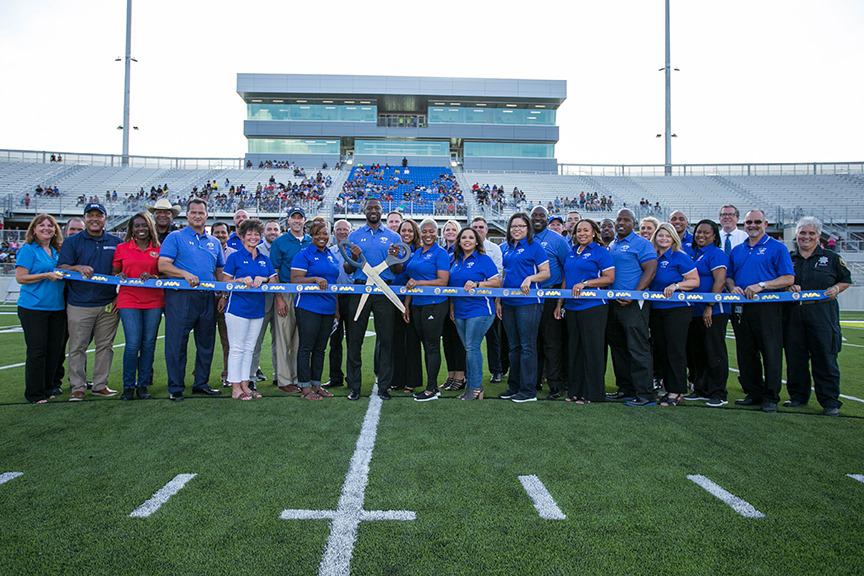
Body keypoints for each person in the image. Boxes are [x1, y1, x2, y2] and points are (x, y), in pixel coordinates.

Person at [726, 209, 795, 412]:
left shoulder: (777, 248)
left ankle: (771, 397)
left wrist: (762, 285)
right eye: (749, 222)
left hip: (767, 308)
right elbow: (729, 276)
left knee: (771, 352)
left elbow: (788, 278)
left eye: (757, 222)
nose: (752, 225)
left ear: (765, 224)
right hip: (742, 308)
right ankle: (753, 392)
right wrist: (732, 287)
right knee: (746, 352)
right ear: (743, 225)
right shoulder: (738, 250)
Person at [783, 216, 851, 416]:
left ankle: (830, 401)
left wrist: (836, 289)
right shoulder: (789, 258)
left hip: (822, 313)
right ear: (796, 235)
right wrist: (788, 286)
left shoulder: (830, 257)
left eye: (811, 233)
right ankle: (797, 397)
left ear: (819, 236)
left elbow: (846, 280)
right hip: (794, 313)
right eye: (802, 232)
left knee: (825, 357)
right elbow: (782, 280)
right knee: (796, 357)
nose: (806, 237)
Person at [158, 198, 224, 401]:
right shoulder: (175, 237)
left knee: (206, 343)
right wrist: (184, 274)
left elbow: (219, 270)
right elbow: (163, 265)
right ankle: (176, 386)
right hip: (181, 297)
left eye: (201, 213)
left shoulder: (214, 242)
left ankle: (201, 383)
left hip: (207, 298)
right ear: (187, 215)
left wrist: (222, 293)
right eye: (193, 212)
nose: (197, 216)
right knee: (177, 342)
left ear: (206, 215)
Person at [57, 203, 122, 401]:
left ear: (105, 218)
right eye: (90, 215)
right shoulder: (73, 241)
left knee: (105, 346)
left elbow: (118, 269)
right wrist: (77, 267)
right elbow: (62, 267)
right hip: (79, 303)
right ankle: (77, 386)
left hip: (108, 303)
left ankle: (100, 385)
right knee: (77, 346)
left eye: (99, 215)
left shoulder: (115, 241)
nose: (95, 219)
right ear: (85, 218)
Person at [344, 199, 403, 400]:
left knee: (386, 340)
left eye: (377, 208)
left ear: (382, 211)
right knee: (354, 340)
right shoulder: (354, 236)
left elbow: (397, 270)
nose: (373, 211)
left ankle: (384, 386)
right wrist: (353, 257)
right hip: (360, 287)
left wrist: (394, 258)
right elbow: (348, 268)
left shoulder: (393, 236)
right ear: (364, 211)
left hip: (384, 291)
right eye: (370, 208)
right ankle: (354, 387)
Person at [554, 219, 615, 403]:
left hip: (593, 307)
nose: (582, 233)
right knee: (575, 350)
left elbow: (609, 278)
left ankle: (593, 393)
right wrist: (559, 304)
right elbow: (567, 280)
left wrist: (586, 284)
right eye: (579, 231)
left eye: (585, 230)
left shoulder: (601, 252)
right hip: (572, 307)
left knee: (592, 350)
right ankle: (575, 392)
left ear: (594, 232)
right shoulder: (572, 252)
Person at [605, 208, 658, 406]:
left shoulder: (641, 243)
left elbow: (651, 270)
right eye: (619, 219)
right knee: (619, 349)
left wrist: (635, 293)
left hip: (634, 304)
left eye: (626, 220)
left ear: (633, 224)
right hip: (614, 303)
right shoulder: (613, 244)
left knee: (638, 348)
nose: (621, 223)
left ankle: (645, 394)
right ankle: (626, 388)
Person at [497, 212, 550, 403]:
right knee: (513, 347)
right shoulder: (507, 248)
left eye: (521, 226)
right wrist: (499, 301)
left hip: (529, 303)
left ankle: (528, 390)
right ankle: (514, 386)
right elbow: (504, 276)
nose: (517, 229)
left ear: (527, 228)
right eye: (513, 226)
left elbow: (546, 273)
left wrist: (530, 278)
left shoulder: (535, 247)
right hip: (509, 303)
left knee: (527, 346)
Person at [112, 212, 163, 401]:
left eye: (144, 225)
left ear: (150, 227)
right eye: (137, 226)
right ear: (131, 229)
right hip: (128, 299)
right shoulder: (122, 248)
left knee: (148, 344)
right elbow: (115, 272)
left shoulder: (159, 248)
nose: (141, 229)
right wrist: (119, 277)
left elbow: (165, 274)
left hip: (154, 301)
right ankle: (128, 386)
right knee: (133, 344)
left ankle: (143, 385)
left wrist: (155, 277)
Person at [222, 219, 276, 400]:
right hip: (237, 309)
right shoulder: (234, 257)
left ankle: (245, 384)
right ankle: (235, 387)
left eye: (256, 234)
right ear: (242, 237)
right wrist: (239, 280)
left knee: (249, 348)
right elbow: (224, 282)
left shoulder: (264, 259)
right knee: (237, 348)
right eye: (249, 234)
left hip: (257, 309)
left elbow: (275, 281)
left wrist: (265, 279)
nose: (253, 237)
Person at [647, 223, 699, 406]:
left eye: (667, 236)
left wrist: (676, 286)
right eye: (660, 235)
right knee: (662, 350)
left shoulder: (679, 257)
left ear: (673, 238)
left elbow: (694, 280)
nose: (663, 239)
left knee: (675, 350)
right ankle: (667, 388)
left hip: (677, 309)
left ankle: (676, 391)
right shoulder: (653, 257)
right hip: (657, 309)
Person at [16, 214, 66, 404]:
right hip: (33, 308)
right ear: (34, 229)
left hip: (57, 308)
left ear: (55, 230)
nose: (47, 228)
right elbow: (21, 277)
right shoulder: (29, 250)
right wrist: (46, 275)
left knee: (54, 350)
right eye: (42, 225)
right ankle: (34, 393)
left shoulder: (56, 250)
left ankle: (47, 388)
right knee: (37, 351)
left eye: (50, 225)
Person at [290, 220, 341, 400]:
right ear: (312, 235)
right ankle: (304, 387)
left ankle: (316, 384)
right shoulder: (304, 254)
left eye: (325, 234)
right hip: (308, 307)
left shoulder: (330, 255)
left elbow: (333, 284)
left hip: (328, 308)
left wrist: (336, 310)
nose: (322, 237)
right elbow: (295, 279)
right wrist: (314, 279)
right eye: (318, 234)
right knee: (306, 347)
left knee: (320, 349)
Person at [449, 227, 501, 400]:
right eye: (463, 237)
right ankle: (473, 387)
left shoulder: (483, 259)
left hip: (480, 310)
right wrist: (452, 308)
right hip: (460, 311)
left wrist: (478, 284)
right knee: (469, 349)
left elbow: (497, 282)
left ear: (477, 241)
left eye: (471, 237)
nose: (467, 240)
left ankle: (475, 388)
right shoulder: (454, 260)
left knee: (471, 347)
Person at [684, 219, 730, 407]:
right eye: (698, 232)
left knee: (714, 350)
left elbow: (719, 281)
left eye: (706, 233)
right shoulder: (695, 254)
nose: (701, 236)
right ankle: (701, 388)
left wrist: (710, 305)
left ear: (714, 236)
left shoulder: (716, 253)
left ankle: (718, 392)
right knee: (698, 351)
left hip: (713, 311)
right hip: (694, 310)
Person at [403, 219, 450, 402]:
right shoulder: (416, 253)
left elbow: (442, 281)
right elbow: (410, 281)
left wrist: (419, 283)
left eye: (431, 231)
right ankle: (429, 386)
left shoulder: (441, 253)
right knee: (424, 345)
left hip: (434, 303)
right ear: (420, 233)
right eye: (424, 232)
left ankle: (432, 388)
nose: (428, 234)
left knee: (431, 346)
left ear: (436, 233)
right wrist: (406, 305)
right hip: (417, 305)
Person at [269, 207, 312, 394]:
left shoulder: (311, 241)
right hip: (286, 291)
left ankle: (298, 377)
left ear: (304, 221)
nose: (296, 221)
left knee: (300, 339)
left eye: (299, 218)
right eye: (293, 218)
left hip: (306, 293)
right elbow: (274, 272)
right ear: (288, 221)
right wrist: (279, 298)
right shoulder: (280, 242)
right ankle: (284, 379)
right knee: (283, 338)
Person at [530, 205, 570, 399]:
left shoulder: (558, 240)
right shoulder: (524, 239)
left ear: (547, 219)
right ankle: (533, 381)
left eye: (541, 216)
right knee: (532, 341)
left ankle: (556, 384)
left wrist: (560, 301)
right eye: (534, 215)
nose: (537, 218)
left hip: (550, 295)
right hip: (529, 297)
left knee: (551, 342)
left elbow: (567, 271)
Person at [471, 217, 506, 383]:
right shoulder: (465, 248)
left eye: (481, 227)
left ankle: (496, 370)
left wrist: (498, 301)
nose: (478, 230)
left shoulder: (495, 249)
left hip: (489, 299)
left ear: (486, 230)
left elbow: (499, 276)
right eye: (475, 227)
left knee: (493, 337)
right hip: (469, 300)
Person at [249, 220, 282, 386]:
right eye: (269, 229)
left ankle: (279, 375)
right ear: (264, 232)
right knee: (256, 340)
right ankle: (252, 376)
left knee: (280, 341)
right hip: (261, 301)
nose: (272, 232)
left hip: (281, 300)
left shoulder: (282, 246)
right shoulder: (257, 250)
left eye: (276, 229)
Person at [391, 220, 422, 394]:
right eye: (404, 230)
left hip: (411, 300)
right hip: (392, 298)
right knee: (396, 341)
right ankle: (397, 379)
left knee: (411, 341)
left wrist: (407, 302)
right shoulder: (395, 249)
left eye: (410, 231)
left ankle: (412, 380)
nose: (407, 233)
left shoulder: (418, 252)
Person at [324, 219, 352, 389]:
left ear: (350, 232)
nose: (342, 232)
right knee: (335, 340)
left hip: (351, 297)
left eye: (345, 229)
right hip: (333, 297)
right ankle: (335, 377)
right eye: (339, 229)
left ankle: (352, 377)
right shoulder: (330, 252)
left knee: (353, 340)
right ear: (334, 232)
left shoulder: (355, 252)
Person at [440, 219, 466, 390]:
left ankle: (461, 376)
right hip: (444, 301)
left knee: (458, 340)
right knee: (447, 340)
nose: (450, 232)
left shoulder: (462, 252)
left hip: (459, 301)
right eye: (447, 229)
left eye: (453, 229)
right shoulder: (442, 252)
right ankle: (450, 375)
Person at [211, 222, 236, 387]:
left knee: (227, 340)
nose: (220, 235)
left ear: (228, 234)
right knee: (204, 340)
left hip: (225, 301)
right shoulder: (205, 249)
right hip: (206, 299)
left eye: (223, 232)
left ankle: (227, 373)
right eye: (217, 232)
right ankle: (200, 374)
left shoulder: (234, 254)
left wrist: (224, 296)